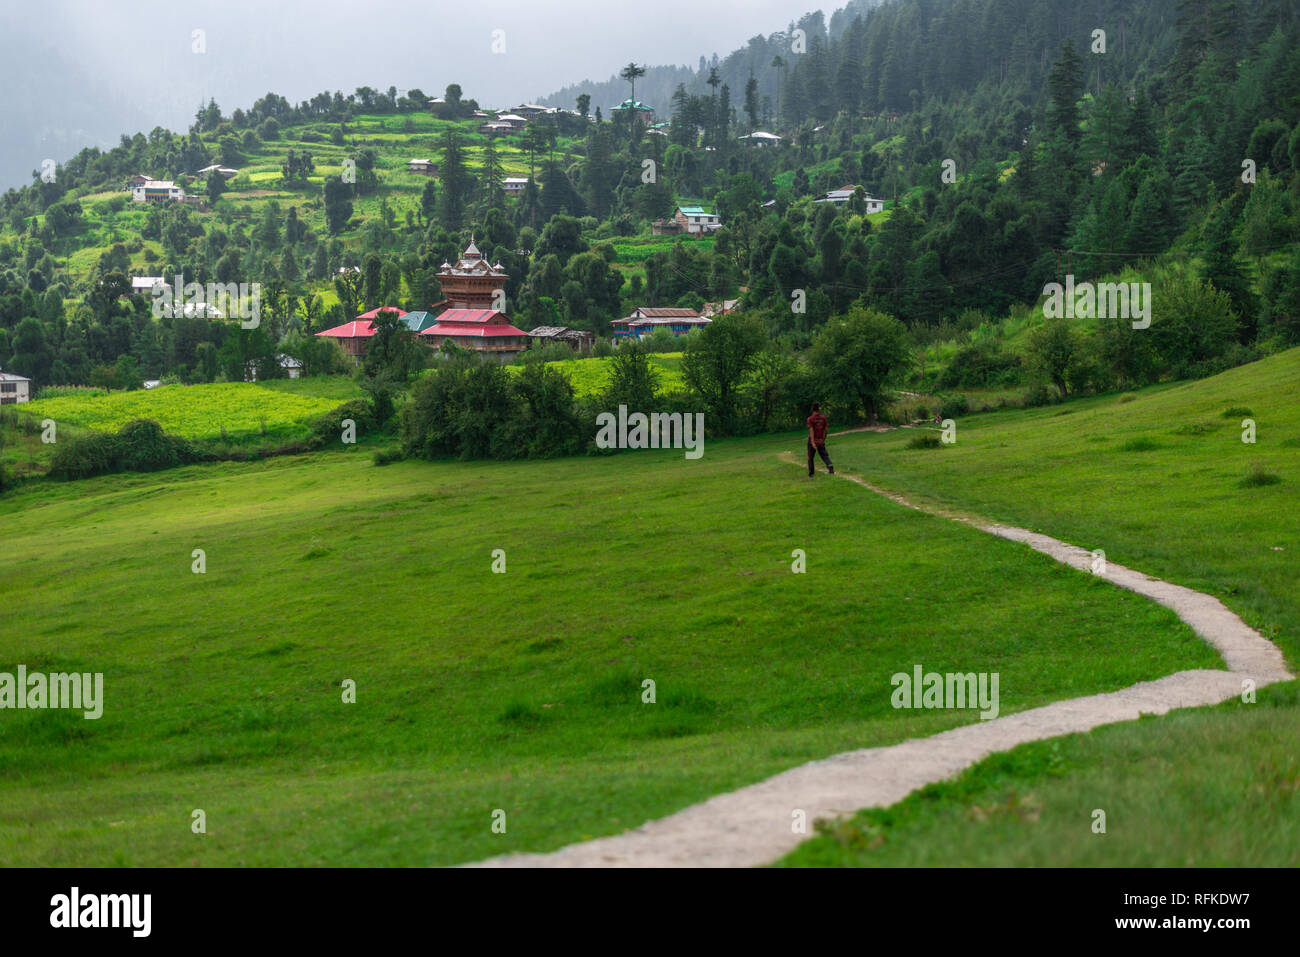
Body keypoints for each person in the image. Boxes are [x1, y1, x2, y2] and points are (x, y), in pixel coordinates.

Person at [806, 402, 833, 477]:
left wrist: (812, 442)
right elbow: (826, 429)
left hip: (813, 440)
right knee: (824, 455)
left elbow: (811, 430)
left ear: (812, 409)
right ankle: (830, 465)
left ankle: (811, 473)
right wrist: (823, 439)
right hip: (820, 439)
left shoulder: (810, 419)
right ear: (819, 408)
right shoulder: (823, 418)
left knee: (810, 457)